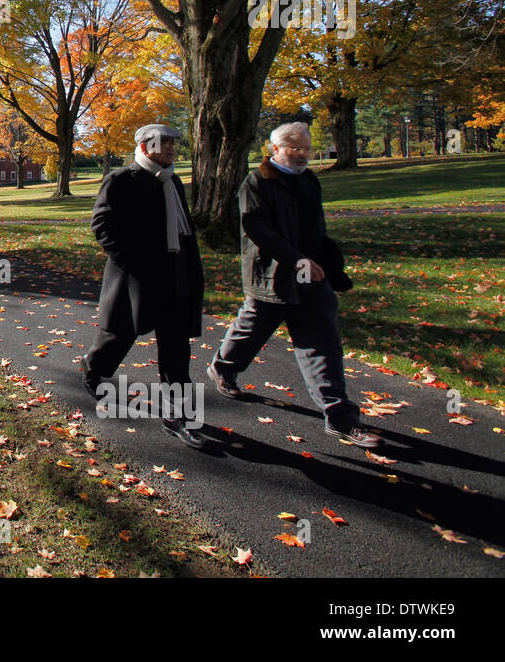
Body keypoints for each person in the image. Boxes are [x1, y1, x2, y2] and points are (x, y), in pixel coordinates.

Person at [207, 122, 380, 448]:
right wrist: (296, 259)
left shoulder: (309, 181)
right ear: (275, 149)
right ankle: (222, 368)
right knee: (250, 330)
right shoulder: (257, 182)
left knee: (322, 346)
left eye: (306, 147)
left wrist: (333, 267)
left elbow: (316, 231)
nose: (302, 154)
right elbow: (258, 230)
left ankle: (341, 418)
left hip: (312, 280)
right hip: (272, 276)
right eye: (294, 147)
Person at [82, 123, 208, 449]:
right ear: (144, 145)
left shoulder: (174, 181)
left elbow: (185, 230)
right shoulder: (123, 179)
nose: (170, 148)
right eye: (163, 143)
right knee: (120, 334)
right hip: (136, 277)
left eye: (172, 143)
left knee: (176, 347)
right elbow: (102, 224)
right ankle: (93, 368)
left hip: (176, 274)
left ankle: (178, 416)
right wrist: (130, 261)